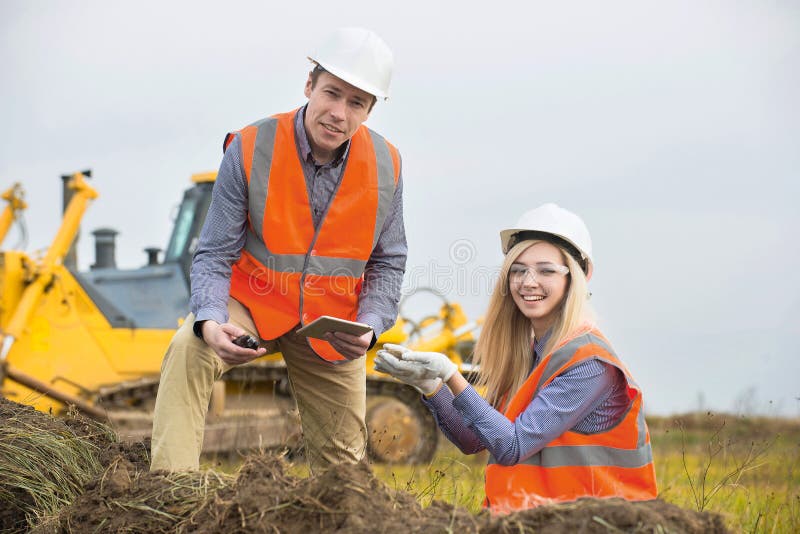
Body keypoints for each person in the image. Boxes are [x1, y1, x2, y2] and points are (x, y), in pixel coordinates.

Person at [150, 28, 406, 473]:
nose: (339, 114)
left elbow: (388, 261)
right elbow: (214, 253)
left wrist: (370, 325)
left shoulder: (388, 165)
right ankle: (172, 492)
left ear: (370, 110)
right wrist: (210, 318)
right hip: (254, 303)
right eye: (332, 93)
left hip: (333, 326)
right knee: (188, 349)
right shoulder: (250, 146)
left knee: (344, 473)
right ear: (309, 86)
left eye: (356, 103)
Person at [375, 204, 657, 512]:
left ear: (581, 275)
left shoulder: (589, 364)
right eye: (518, 270)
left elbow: (512, 446)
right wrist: (430, 385)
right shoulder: (533, 356)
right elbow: (474, 440)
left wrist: (452, 376)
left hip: (604, 523)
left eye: (546, 270)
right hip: (543, 520)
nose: (528, 282)